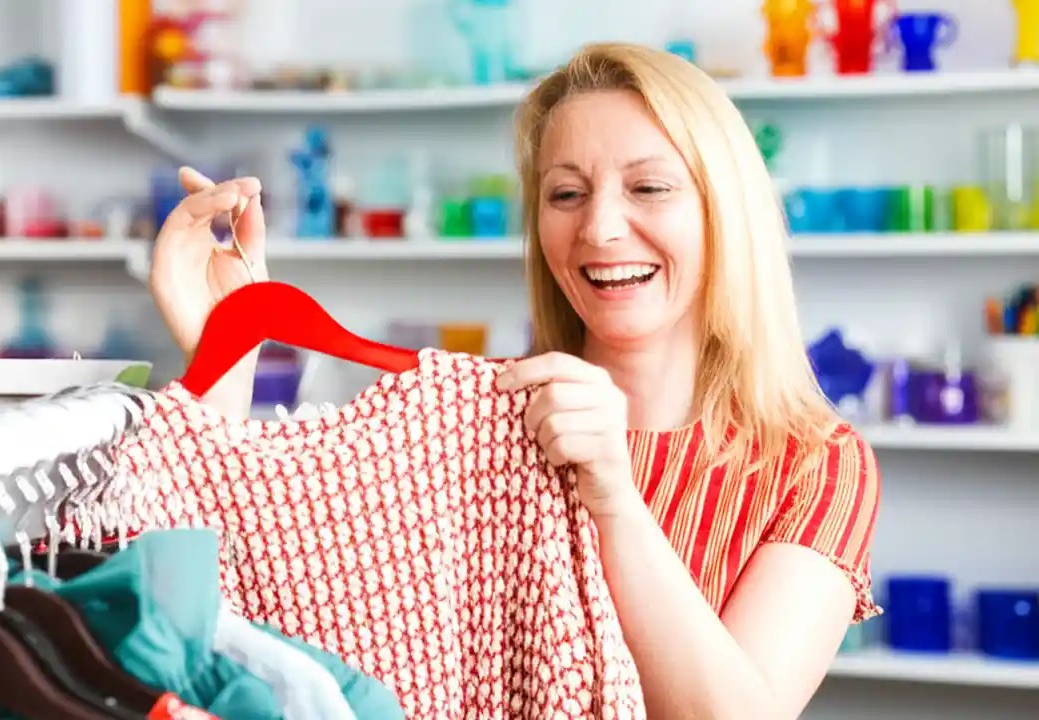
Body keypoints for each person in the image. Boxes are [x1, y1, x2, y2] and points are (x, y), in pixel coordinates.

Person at [148, 42, 880, 720]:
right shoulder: (476, 422)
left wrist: (616, 502)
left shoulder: (815, 464)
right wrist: (228, 354)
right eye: (565, 195)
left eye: (649, 187)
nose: (599, 228)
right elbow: (269, 616)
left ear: (727, 211)